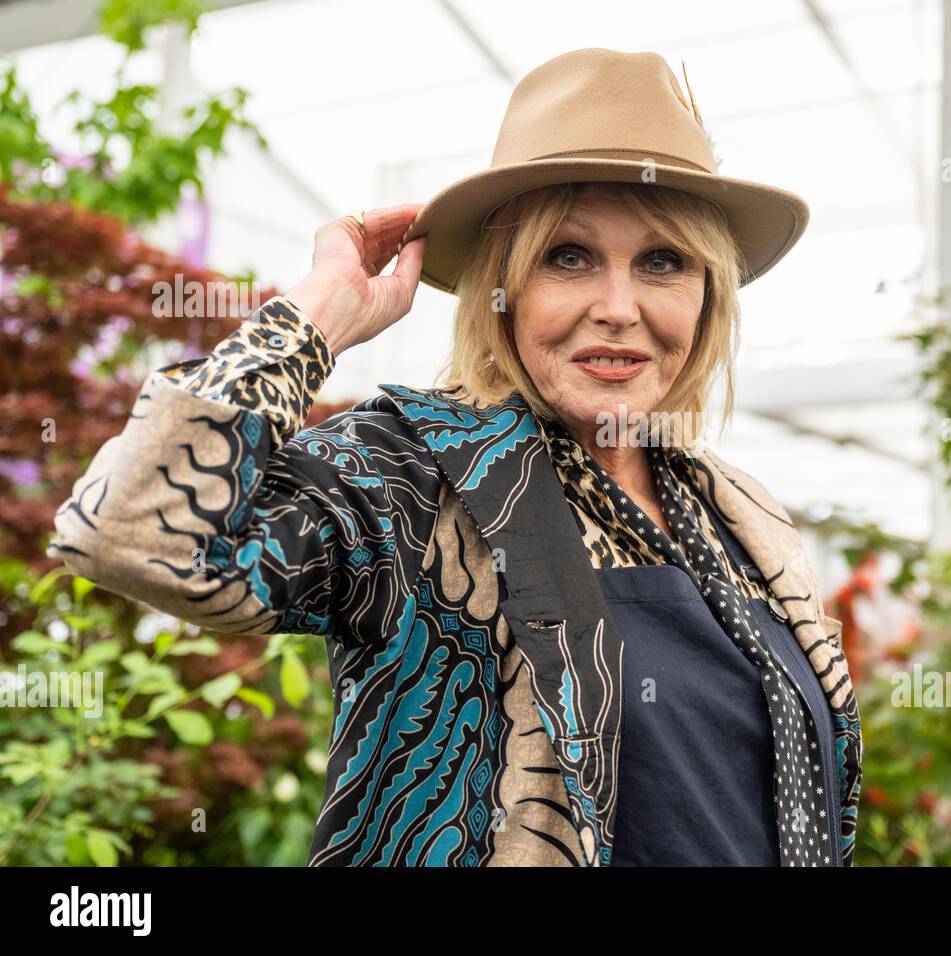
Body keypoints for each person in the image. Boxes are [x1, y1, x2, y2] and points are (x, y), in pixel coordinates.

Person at [48, 47, 861, 867]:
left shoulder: (738, 512)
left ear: (708, 296)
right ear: (500, 288)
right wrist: (315, 318)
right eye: (567, 257)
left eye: (663, 262)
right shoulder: (409, 471)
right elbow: (130, 534)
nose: (619, 308)